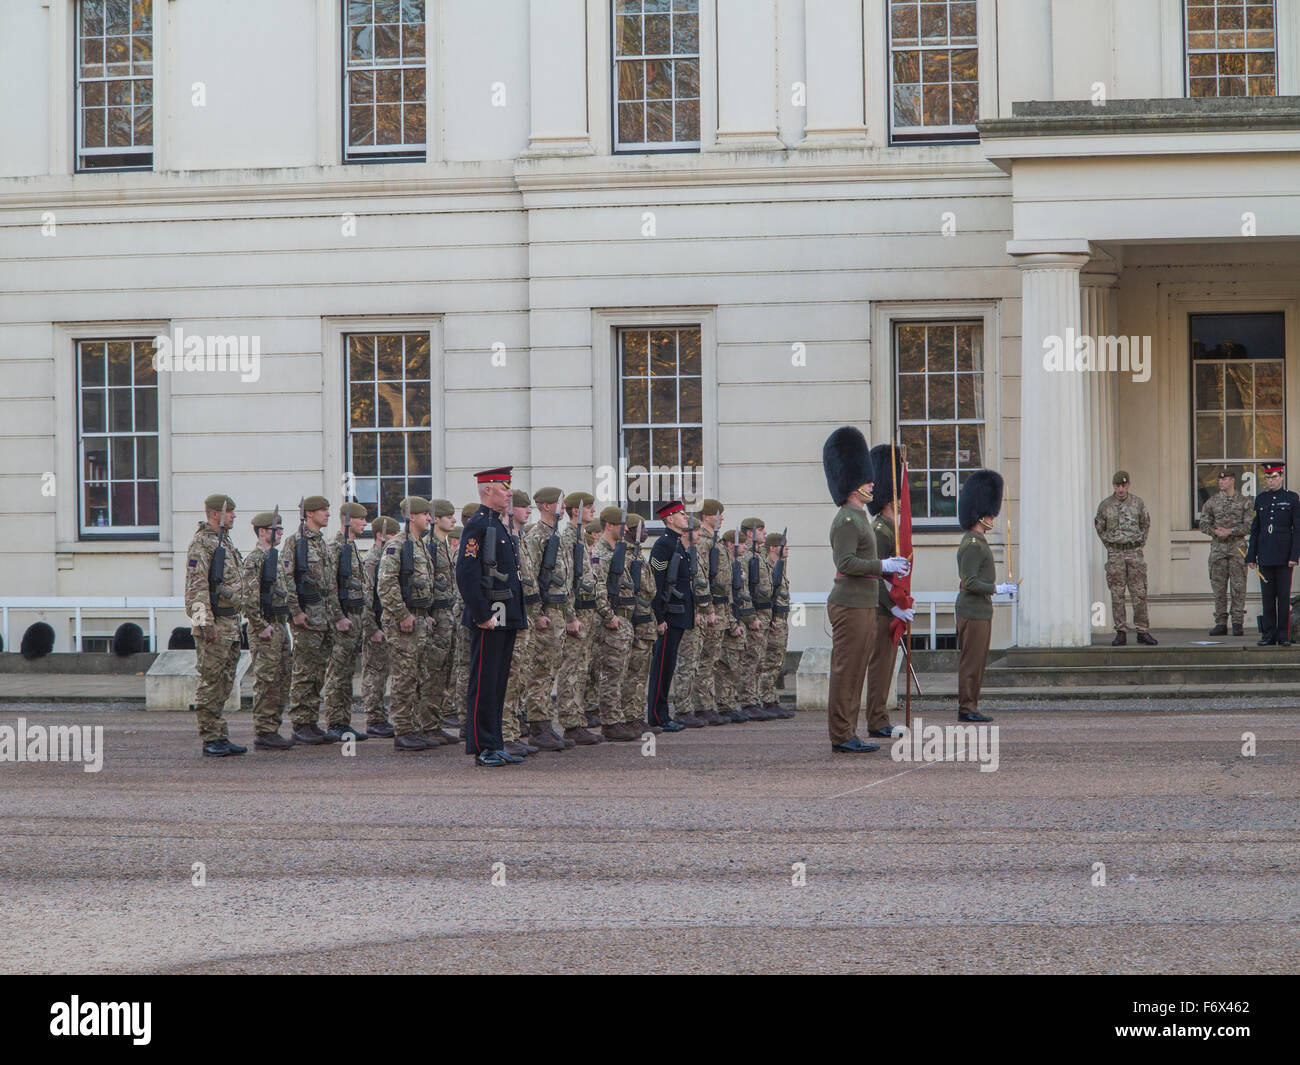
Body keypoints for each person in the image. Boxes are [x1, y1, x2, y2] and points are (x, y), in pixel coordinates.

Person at [822, 427, 910, 753]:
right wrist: (883, 567)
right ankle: (841, 735)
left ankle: (849, 731)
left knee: (857, 672)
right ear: (852, 482)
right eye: (866, 479)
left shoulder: (858, 515)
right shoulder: (846, 519)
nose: (872, 483)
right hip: (850, 603)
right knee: (846, 672)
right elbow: (846, 562)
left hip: (863, 603)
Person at [457, 467, 528, 767]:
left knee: (498, 684)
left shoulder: (497, 525)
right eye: (503, 487)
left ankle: (495, 742)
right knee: (484, 683)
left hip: (505, 615)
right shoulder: (478, 525)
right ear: (487, 490)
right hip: (489, 617)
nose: (509, 492)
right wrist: (482, 614)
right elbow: (466, 574)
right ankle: (482, 747)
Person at [184, 493, 248, 757]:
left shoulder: (224, 543)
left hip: (230, 624)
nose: (233, 516)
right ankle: (211, 737)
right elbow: (196, 588)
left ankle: (219, 734)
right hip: (215, 625)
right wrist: (205, 624)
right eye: (229, 512)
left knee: (224, 682)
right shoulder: (201, 545)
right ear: (214, 514)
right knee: (211, 682)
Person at [281, 496, 348, 744]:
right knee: (304, 671)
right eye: (323, 510)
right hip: (306, 617)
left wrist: (337, 616)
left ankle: (310, 721)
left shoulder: (321, 543)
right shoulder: (295, 542)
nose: (328, 514)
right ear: (309, 514)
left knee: (318, 672)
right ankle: (300, 723)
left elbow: (329, 585)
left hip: (324, 618)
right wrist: (295, 611)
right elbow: (286, 579)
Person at [378, 498, 438, 750]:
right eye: (424, 514)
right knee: (404, 676)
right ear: (411, 517)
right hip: (403, 621)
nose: (429, 518)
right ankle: (403, 729)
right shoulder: (397, 545)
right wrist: (402, 614)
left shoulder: (420, 544)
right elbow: (386, 583)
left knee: (417, 675)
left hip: (420, 617)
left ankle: (413, 726)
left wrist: (427, 613)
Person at [955, 470, 1015, 723]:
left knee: (978, 662)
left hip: (980, 610)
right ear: (981, 513)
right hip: (972, 610)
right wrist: (997, 588)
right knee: (971, 662)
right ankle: (966, 708)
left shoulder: (979, 541)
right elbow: (969, 581)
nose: (993, 517)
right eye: (990, 513)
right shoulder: (971, 543)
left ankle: (972, 705)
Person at [521, 487, 575, 752]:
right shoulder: (536, 536)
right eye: (559, 504)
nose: (563, 508)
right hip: (545, 614)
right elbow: (529, 577)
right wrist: (537, 614)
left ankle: (545, 724)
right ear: (545, 506)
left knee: (550, 669)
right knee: (540, 671)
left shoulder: (556, 536)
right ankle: (537, 726)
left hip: (558, 612)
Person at [864, 444, 911, 739]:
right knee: (880, 667)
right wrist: (893, 605)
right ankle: (877, 720)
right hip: (882, 609)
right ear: (887, 502)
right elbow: (877, 575)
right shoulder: (881, 530)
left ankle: (880, 717)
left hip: (888, 607)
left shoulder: (888, 529)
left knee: (886, 666)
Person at [241, 509, 295, 750]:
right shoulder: (255, 559)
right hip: (265, 626)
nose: (280, 533)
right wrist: (260, 625)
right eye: (276, 529)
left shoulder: (276, 557)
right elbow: (248, 597)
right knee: (267, 679)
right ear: (263, 532)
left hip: (279, 624)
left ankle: (273, 726)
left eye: (281, 529)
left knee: (283, 676)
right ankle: (264, 730)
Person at [320, 501, 369, 742]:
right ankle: (335, 722)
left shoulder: (351, 547)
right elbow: (329, 587)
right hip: (343, 620)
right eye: (361, 519)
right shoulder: (336, 547)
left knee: (347, 672)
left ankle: (343, 721)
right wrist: (338, 618)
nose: (364, 523)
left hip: (355, 619)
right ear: (348, 521)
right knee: (337, 673)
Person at [646, 500, 695, 732]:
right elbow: (656, 583)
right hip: (668, 616)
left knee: (669, 665)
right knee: (662, 667)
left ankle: (663, 713)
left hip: (678, 615)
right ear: (669, 519)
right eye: (680, 514)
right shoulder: (663, 545)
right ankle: (658, 715)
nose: (685, 516)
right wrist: (659, 617)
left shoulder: (677, 544)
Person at [1094, 471, 1157, 645]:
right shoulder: (1105, 505)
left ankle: (1142, 630)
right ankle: (1120, 631)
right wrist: (1111, 545)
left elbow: (1145, 524)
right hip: (1115, 553)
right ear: (1113, 486)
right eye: (1117, 486)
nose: (1120, 489)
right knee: (1117, 593)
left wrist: (1138, 543)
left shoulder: (1137, 503)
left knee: (1139, 593)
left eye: (1123, 485)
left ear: (1128, 484)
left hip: (1134, 552)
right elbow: (1100, 527)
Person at [593, 506, 638, 740]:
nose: (626, 529)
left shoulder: (617, 550)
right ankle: (610, 722)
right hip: (612, 622)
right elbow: (598, 588)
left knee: (620, 672)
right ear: (609, 525)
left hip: (623, 620)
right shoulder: (600, 553)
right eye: (621, 524)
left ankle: (617, 718)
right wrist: (609, 616)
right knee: (610, 672)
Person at [1246, 462, 1300, 646]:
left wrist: (1294, 555)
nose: (1271, 481)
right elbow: (1256, 530)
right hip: (1265, 554)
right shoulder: (1261, 499)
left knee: (1283, 597)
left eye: (1274, 477)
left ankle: (1283, 635)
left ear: (1282, 477)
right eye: (1268, 478)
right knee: (1267, 597)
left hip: (1284, 556)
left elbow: (1297, 529)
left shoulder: (1291, 498)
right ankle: (1268, 635)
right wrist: (1250, 556)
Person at [1199, 467, 1253, 636]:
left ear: (1232, 481)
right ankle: (1221, 622)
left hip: (1237, 547)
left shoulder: (1244, 502)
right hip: (1218, 549)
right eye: (1219, 479)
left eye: (1224, 479)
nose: (1221, 482)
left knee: (1238, 586)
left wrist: (1231, 531)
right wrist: (1216, 531)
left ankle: (1237, 622)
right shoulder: (1212, 502)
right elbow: (1203, 524)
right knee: (1219, 587)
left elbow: (1250, 525)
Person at [360, 515, 400, 737]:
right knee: (375, 673)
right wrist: (371, 628)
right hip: (376, 624)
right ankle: (374, 718)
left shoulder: (385, 558)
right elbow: (366, 599)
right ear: (381, 536)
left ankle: (381, 717)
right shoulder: (372, 561)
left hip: (386, 624)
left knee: (384, 672)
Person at [761, 530, 796, 719]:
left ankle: (771, 699)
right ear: (773, 548)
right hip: (774, 620)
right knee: (770, 662)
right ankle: (767, 700)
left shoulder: (780, 567)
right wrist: (771, 618)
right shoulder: (767, 567)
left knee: (777, 661)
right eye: (783, 545)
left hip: (782, 619)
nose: (787, 548)